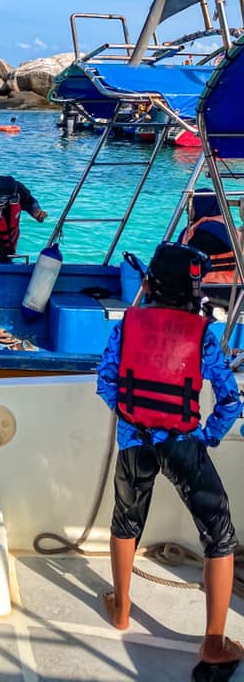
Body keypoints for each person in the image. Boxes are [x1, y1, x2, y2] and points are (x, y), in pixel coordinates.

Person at [97, 241, 243, 667]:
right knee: (220, 536)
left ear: (152, 283)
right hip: (184, 444)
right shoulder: (206, 338)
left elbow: (106, 382)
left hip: (134, 442)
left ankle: (121, 608)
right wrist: (208, 437)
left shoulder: (126, 326)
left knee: (126, 522)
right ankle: (213, 643)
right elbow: (230, 401)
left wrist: (131, 418)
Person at [179, 188, 238, 284]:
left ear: (200, 206)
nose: (187, 210)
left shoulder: (193, 232)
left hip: (202, 290)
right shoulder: (233, 230)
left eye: (191, 206)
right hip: (235, 290)